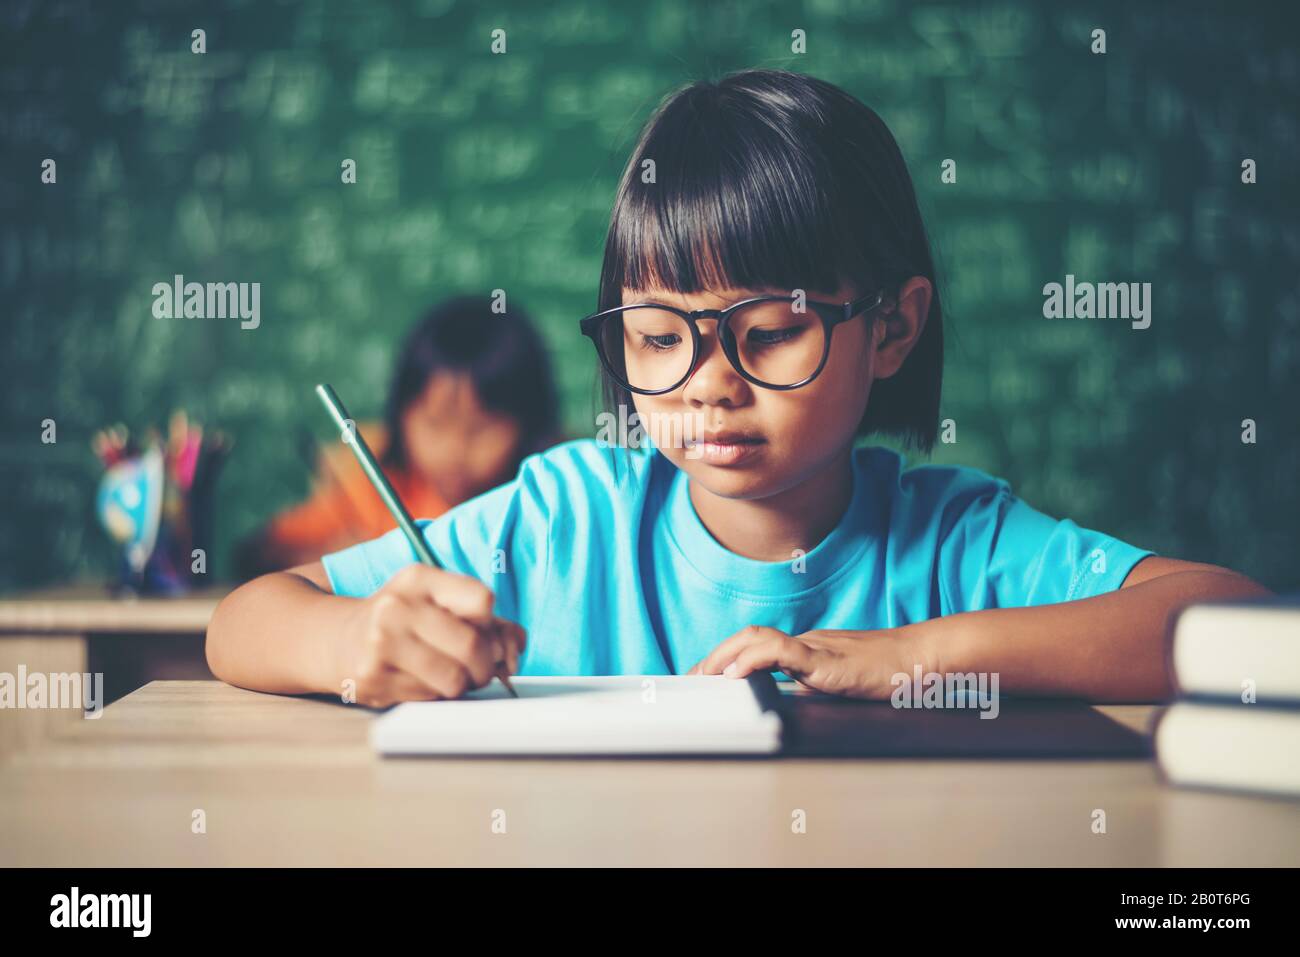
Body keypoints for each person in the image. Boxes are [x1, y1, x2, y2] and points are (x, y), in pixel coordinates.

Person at [208, 69, 1268, 705]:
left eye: (768, 333)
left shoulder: (954, 547)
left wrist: (915, 657)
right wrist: (358, 644)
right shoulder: (564, 517)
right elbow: (244, 621)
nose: (706, 387)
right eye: (658, 337)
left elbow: (1231, 621)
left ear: (891, 328)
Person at [237, 296, 562, 575]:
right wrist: (334, 559)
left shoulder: (552, 496)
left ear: (529, 424)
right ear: (401, 414)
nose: (455, 449)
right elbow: (258, 554)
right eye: (435, 424)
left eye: (481, 430)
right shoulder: (374, 487)